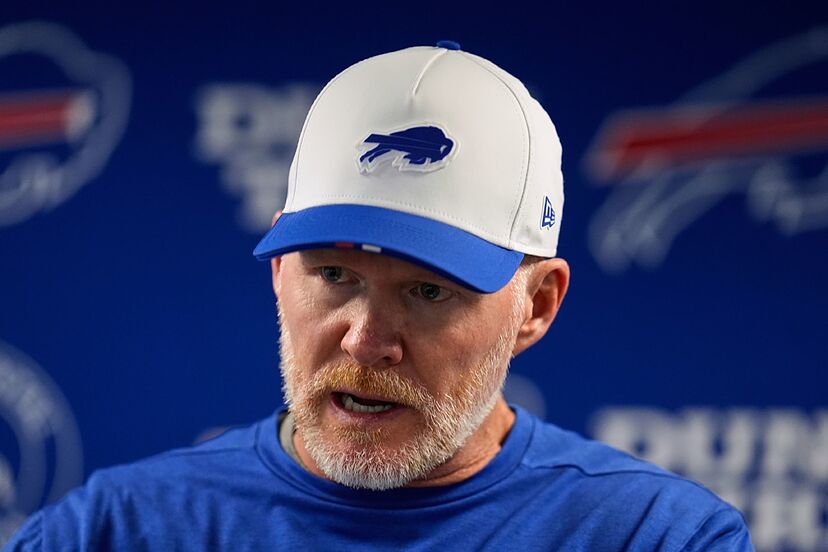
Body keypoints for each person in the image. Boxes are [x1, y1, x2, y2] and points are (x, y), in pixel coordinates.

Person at [5, 42, 753, 551]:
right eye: (334, 276)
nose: (366, 340)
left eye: (428, 290)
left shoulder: (656, 537)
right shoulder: (113, 531)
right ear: (279, 269)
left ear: (537, 305)